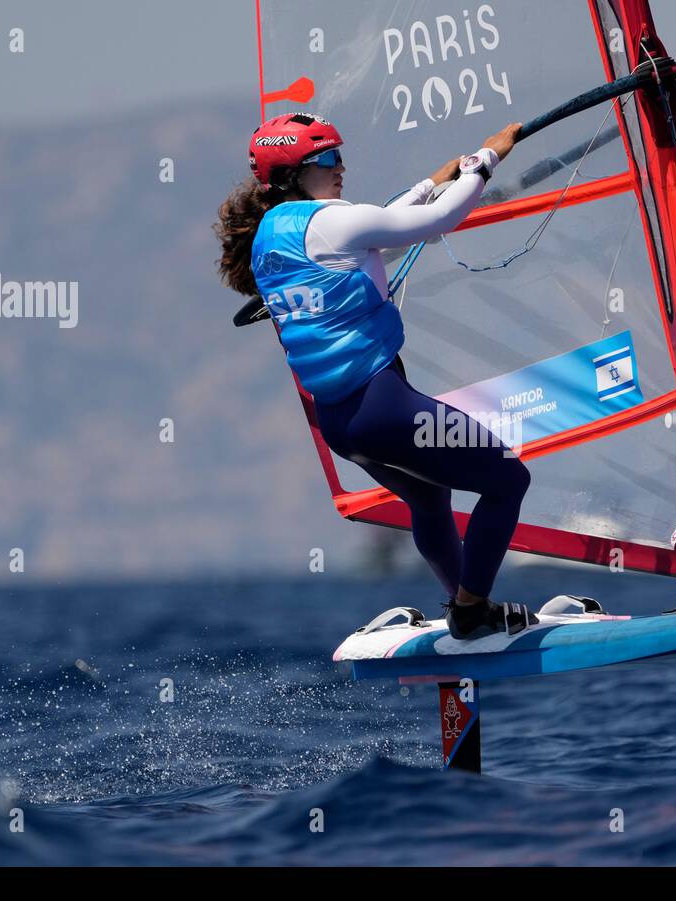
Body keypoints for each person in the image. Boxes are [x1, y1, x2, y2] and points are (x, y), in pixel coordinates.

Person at [215, 112, 535, 639]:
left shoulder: (272, 235)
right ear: (294, 172)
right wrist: (487, 158)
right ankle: (473, 610)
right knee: (508, 481)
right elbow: (434, 223)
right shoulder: (332, 223)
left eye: (339, 155)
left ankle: (465, 607)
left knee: (428, 498)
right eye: (326, 159)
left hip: (341, 425)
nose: (340, 166)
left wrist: (434, 181)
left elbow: (380, 222)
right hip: (383, 406)